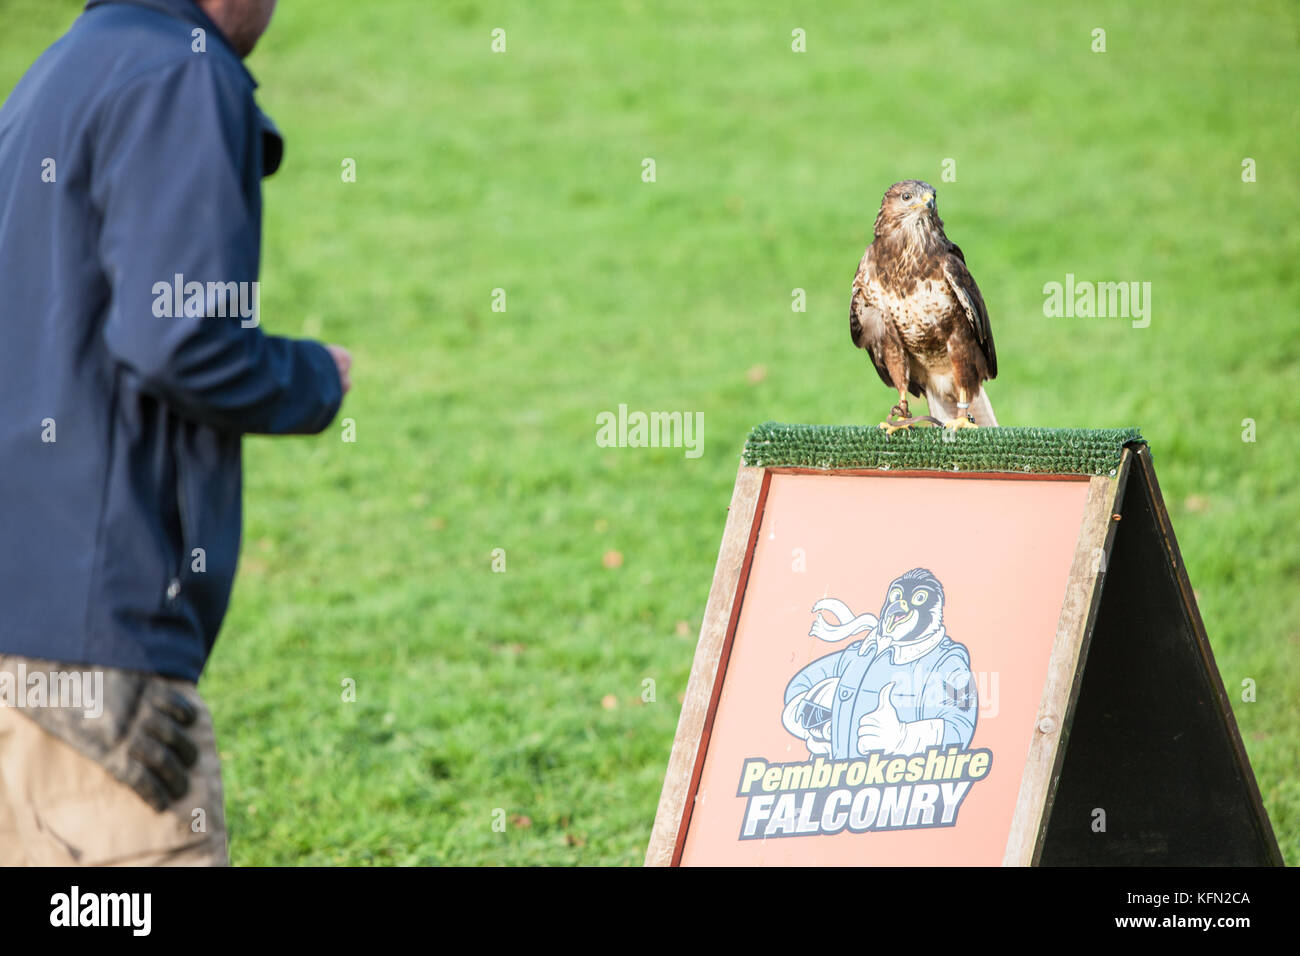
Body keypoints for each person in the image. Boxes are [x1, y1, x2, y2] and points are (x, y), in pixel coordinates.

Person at [0, 0, 348, 865]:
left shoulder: (48, 80)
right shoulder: (182, 71)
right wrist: (310, 378)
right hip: (99, 661)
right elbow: (179, 337)